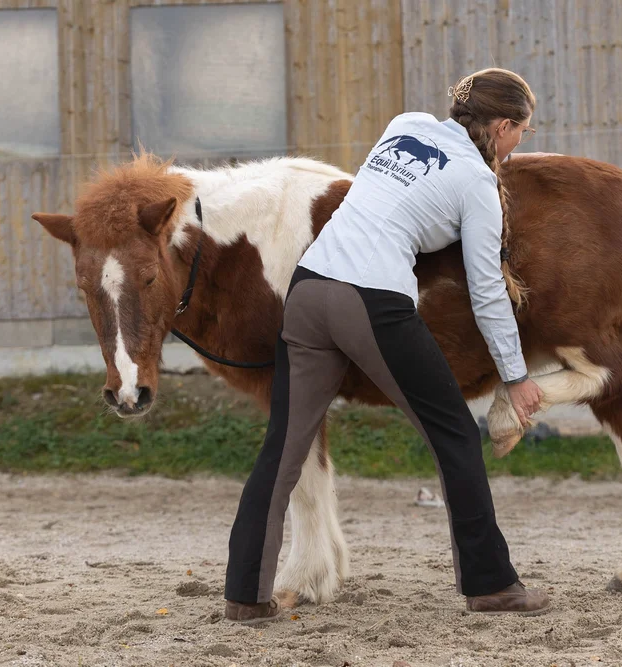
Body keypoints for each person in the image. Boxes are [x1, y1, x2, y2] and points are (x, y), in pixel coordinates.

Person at [224, 68, 547, 623]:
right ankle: (491, 585)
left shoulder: (403, 126)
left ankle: (245, 596)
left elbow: (390, 201)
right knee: (454, 436)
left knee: (283, 447)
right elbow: (488, 288)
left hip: (308, 290)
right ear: (500, 126)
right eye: (522, 131)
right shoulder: (477, 181)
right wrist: (515, 376)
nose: (521, 144)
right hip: (370, 301)